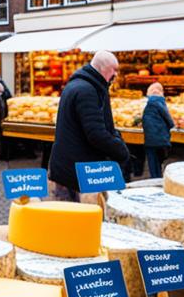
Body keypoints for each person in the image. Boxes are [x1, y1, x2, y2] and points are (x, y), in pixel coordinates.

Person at [48, 51, 131, 201]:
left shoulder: (78, 84)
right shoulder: (87, 91)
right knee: (80, 212)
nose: (116, 75)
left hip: (68, 166)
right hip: (78, 171)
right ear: (103, 68)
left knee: (68, 211)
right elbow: (96, 134)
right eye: (114, 70)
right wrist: (121, 151)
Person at [142, 82, 175, 178]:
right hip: (162, 139)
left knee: (153, 163)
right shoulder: (161, 103)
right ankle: (159, 178)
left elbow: (147, 121)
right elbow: (169, 120)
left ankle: (155, 180)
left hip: (152, 140)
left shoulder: (151, 103)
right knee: (159, 162)